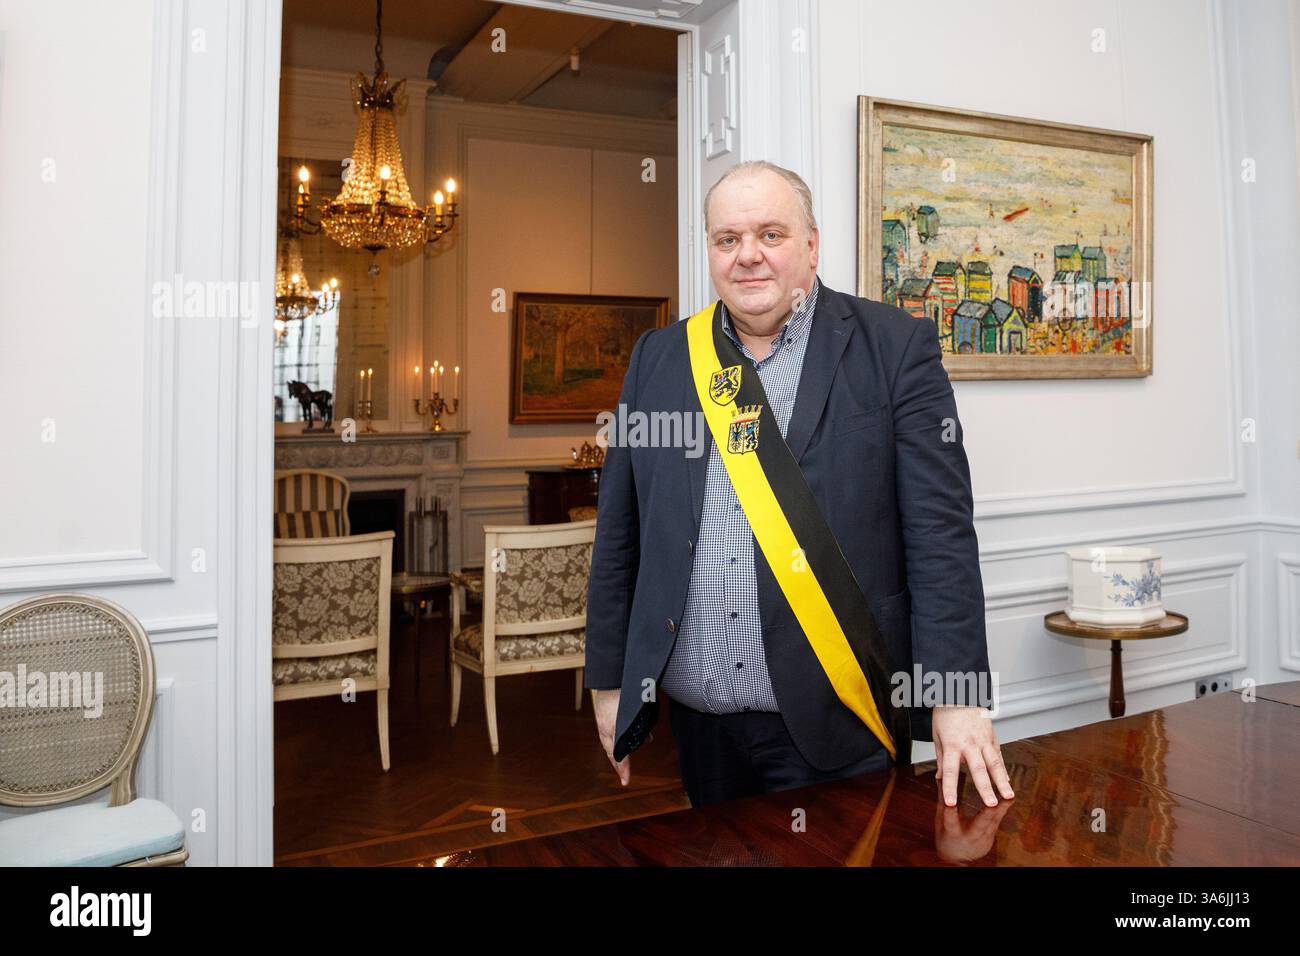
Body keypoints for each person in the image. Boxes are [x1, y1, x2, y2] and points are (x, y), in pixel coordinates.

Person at [584, 160, 1013, 809]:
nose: (747, 256)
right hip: (698, 725)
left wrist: (956, 697)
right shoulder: (660, 358)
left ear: (812, 245)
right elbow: (621, 531)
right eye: (728, 239)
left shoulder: (894, 347)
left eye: (770, 235)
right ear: (710, 251)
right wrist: (611, 683)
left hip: (842, 717)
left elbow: (940, 538)